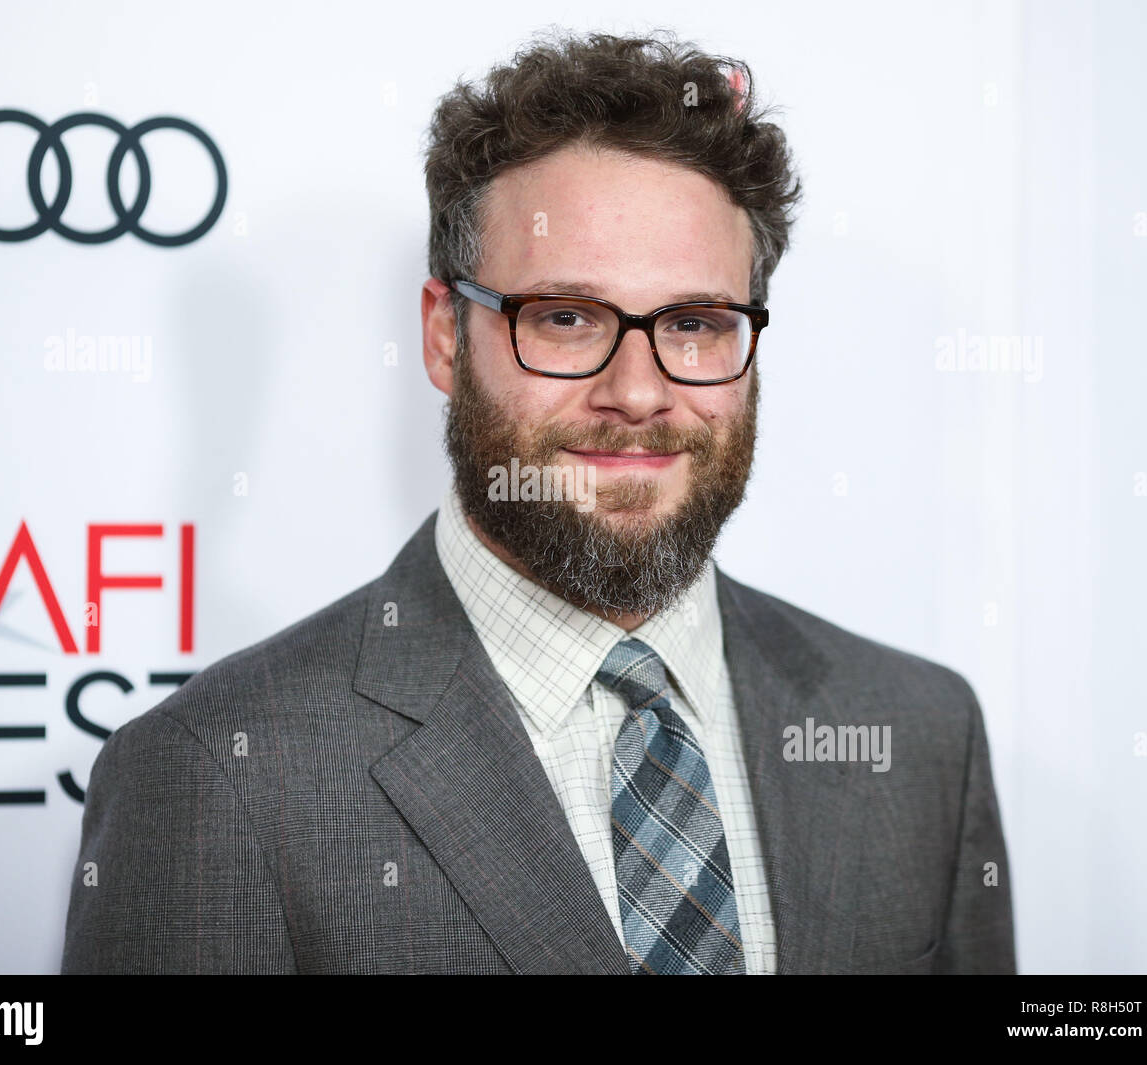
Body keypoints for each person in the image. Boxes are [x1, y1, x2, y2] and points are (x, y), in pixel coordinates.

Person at [61, 29, 1015, 975]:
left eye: (693, 325)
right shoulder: (216, 775)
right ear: (444, 336)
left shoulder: (919, 733)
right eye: (565, 318)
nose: (638, 392)